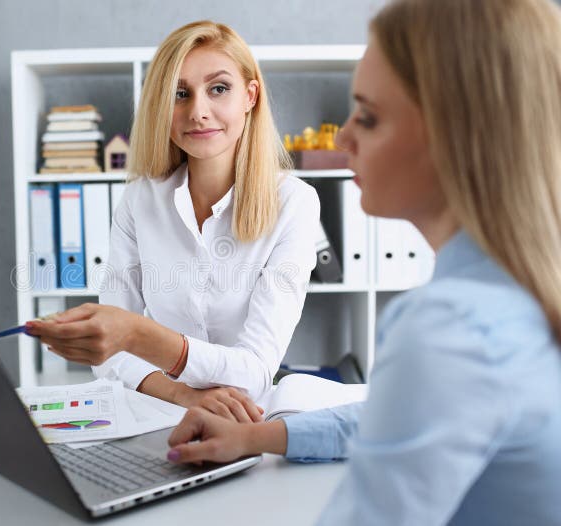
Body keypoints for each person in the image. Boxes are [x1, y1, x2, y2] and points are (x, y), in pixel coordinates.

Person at [165, 0, 561, 523]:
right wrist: (255, 437)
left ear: (457, 136)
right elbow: (395, 418)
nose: (343, 137)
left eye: (369, 117)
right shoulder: (515, 293)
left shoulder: (451, 328)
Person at [28, 21, 321, 423]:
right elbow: (109, 357)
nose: (198, 112)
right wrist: (183, 395)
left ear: (250, 96)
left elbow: (255, 371)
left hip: (242, 418)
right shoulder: (139, 199)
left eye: (219, 88)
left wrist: (137, 334)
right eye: (180, 94)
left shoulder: (294, 203)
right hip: (158, 409)